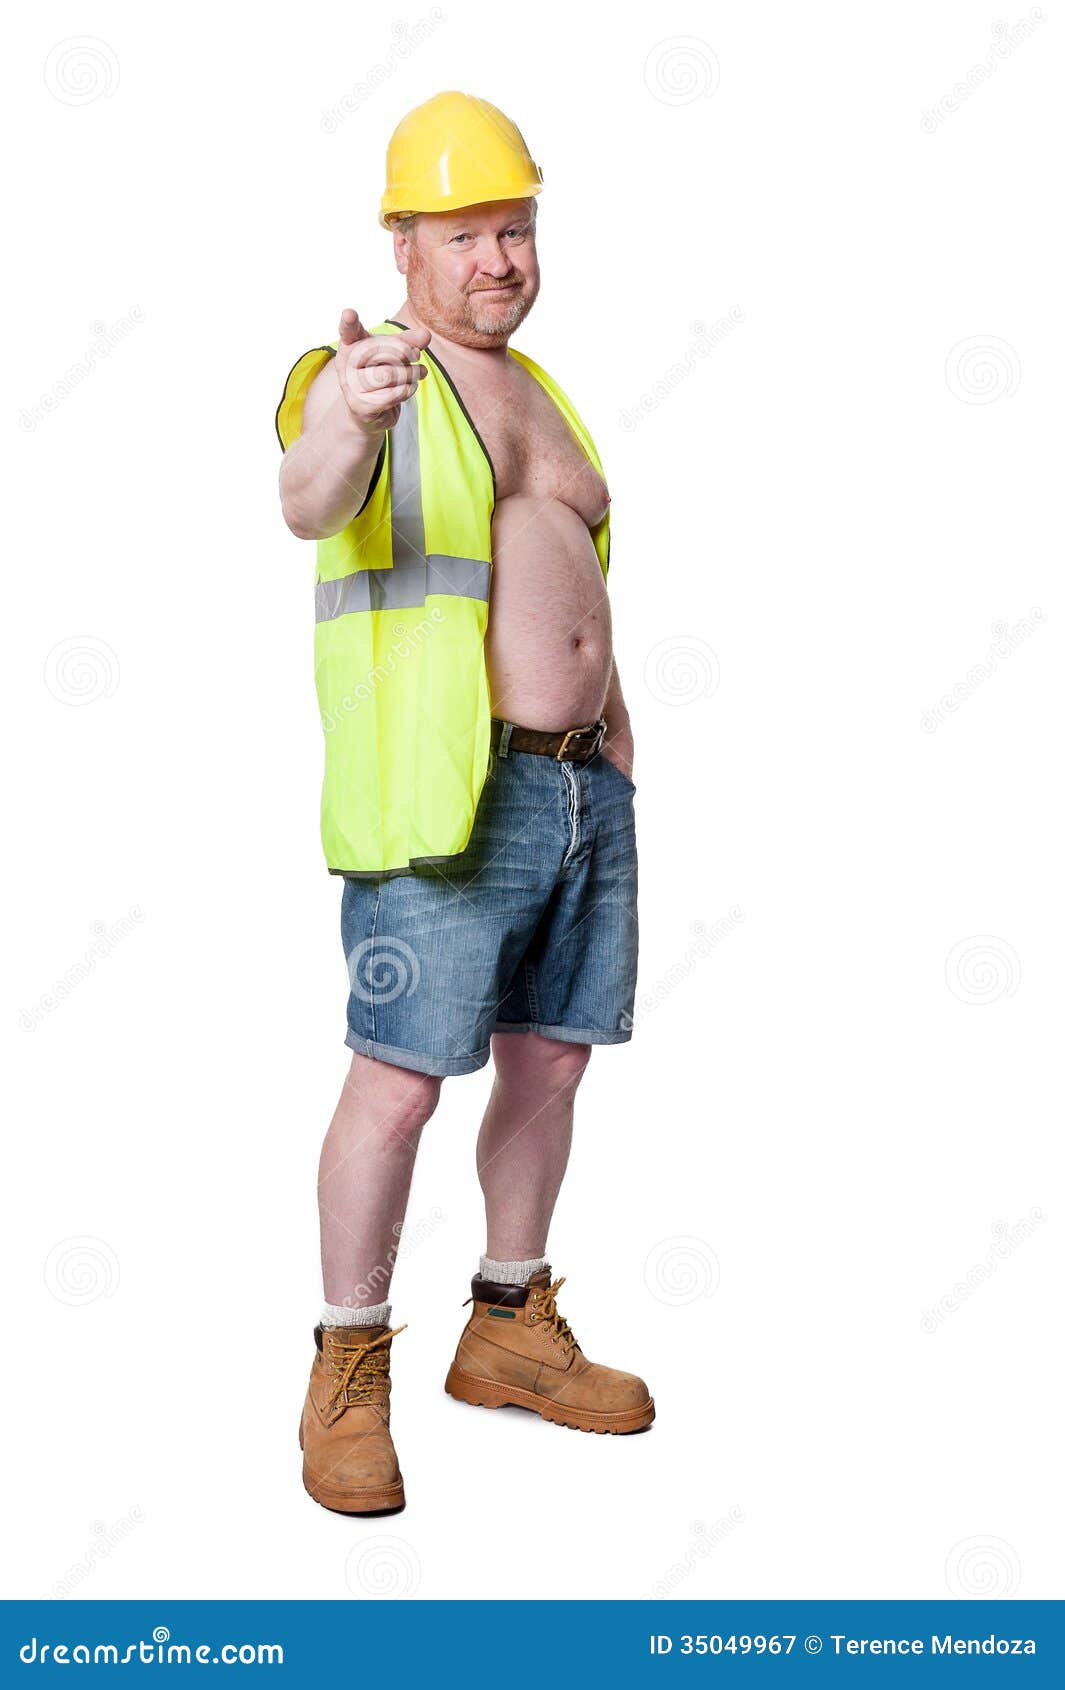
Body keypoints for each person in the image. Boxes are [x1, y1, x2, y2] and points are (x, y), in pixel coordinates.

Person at [277, 91, 653, 1515]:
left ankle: (505, 1322)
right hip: (450, 794)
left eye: (517, 228)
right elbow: (307, 497)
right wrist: (350, 424)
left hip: (579, 793)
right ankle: (346, 1361)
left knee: (551, 1062)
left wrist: (613, 721)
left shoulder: (540, 388)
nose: (499, 258)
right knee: (398, 1083)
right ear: (403, 243)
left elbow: (564, 567)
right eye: (467, 233)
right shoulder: (361, 371)